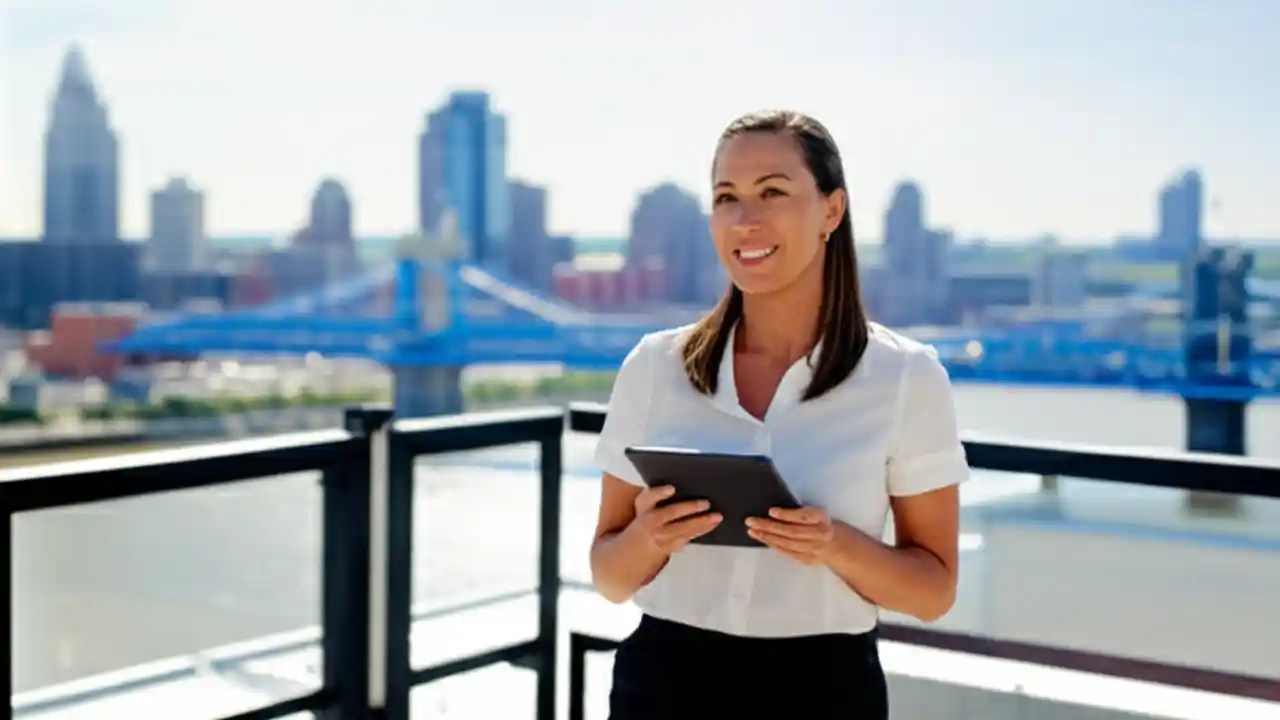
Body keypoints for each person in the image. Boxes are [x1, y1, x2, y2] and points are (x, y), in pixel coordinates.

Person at [588, 109, 969, 719]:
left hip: (821, 692)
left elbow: (932, 593)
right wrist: (647, 536)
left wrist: (833, 544)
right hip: (662, 685)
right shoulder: (654, 367)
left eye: (773, 192)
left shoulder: (906, 377)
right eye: (726, 197)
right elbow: (609, 576)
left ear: (832, 212)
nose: (745, 219)